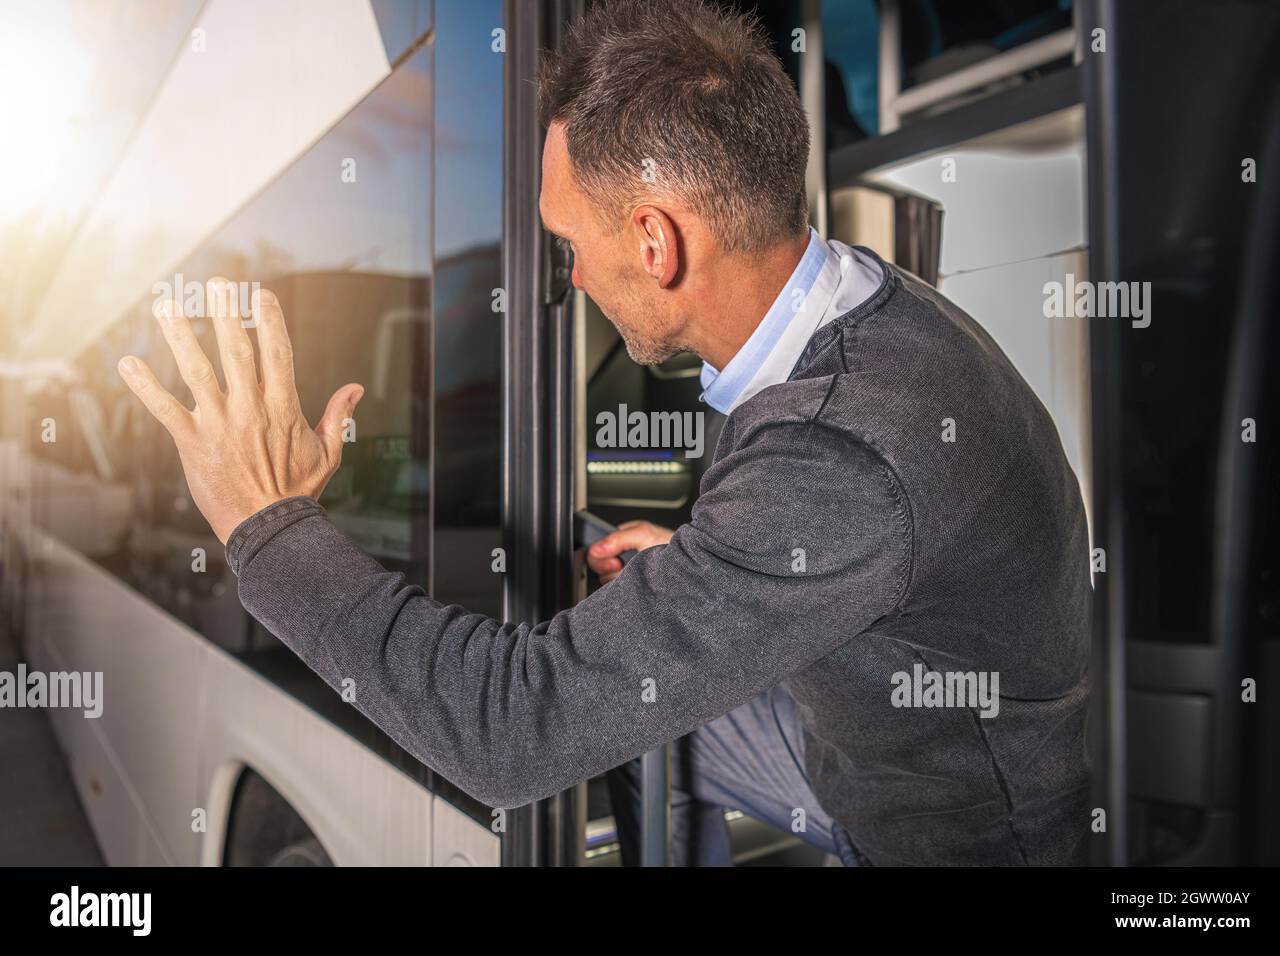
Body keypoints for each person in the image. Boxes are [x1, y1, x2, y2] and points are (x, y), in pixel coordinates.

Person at [118, 0, 1091, 866]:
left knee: (593, 720)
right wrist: (711, 564)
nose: (572, 278)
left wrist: (267, 527)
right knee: (641, 721)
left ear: (655, 241)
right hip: (901, 732)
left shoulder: (833, 453)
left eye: (572, 245)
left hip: (942, 831)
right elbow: (876, 529)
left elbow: (511, 729)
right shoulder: (875, 306)